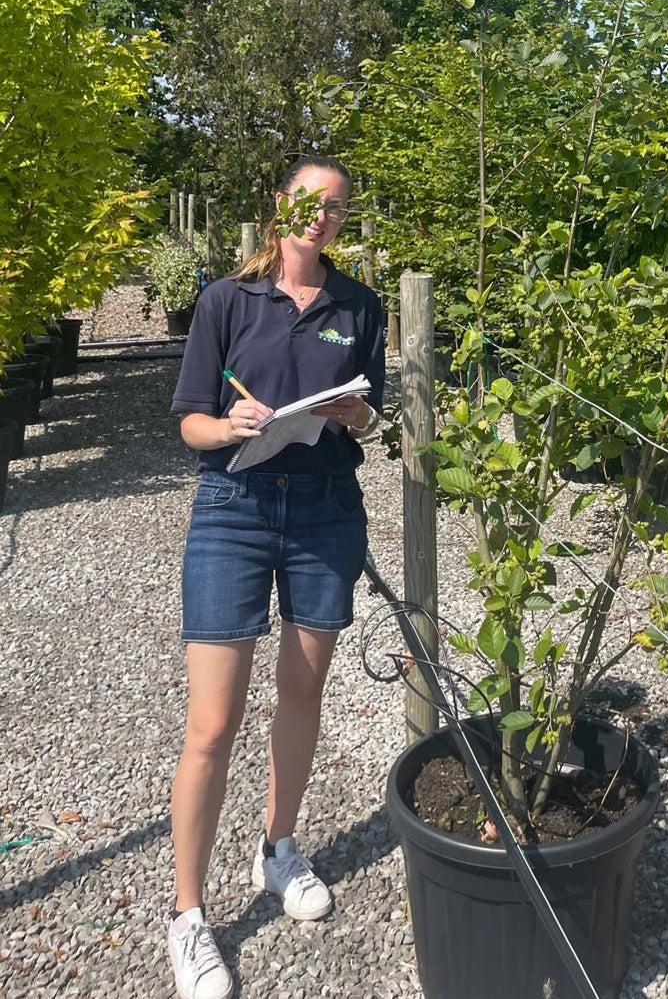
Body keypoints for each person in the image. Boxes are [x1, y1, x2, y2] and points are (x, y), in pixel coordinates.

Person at [165, 157, 385, 999]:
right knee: (212, 722)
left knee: (303, 689)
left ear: (343, 220)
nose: (319, 216)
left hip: (325, 505)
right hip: (234, 505)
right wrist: (227, 426)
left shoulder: (356, 306)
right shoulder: (226, 300)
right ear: (279, 205)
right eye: (307, 200)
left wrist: (351, 411)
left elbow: (372, 412)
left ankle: (278, 846)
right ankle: (188, 914)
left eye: (335, 207)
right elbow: (188, 420)